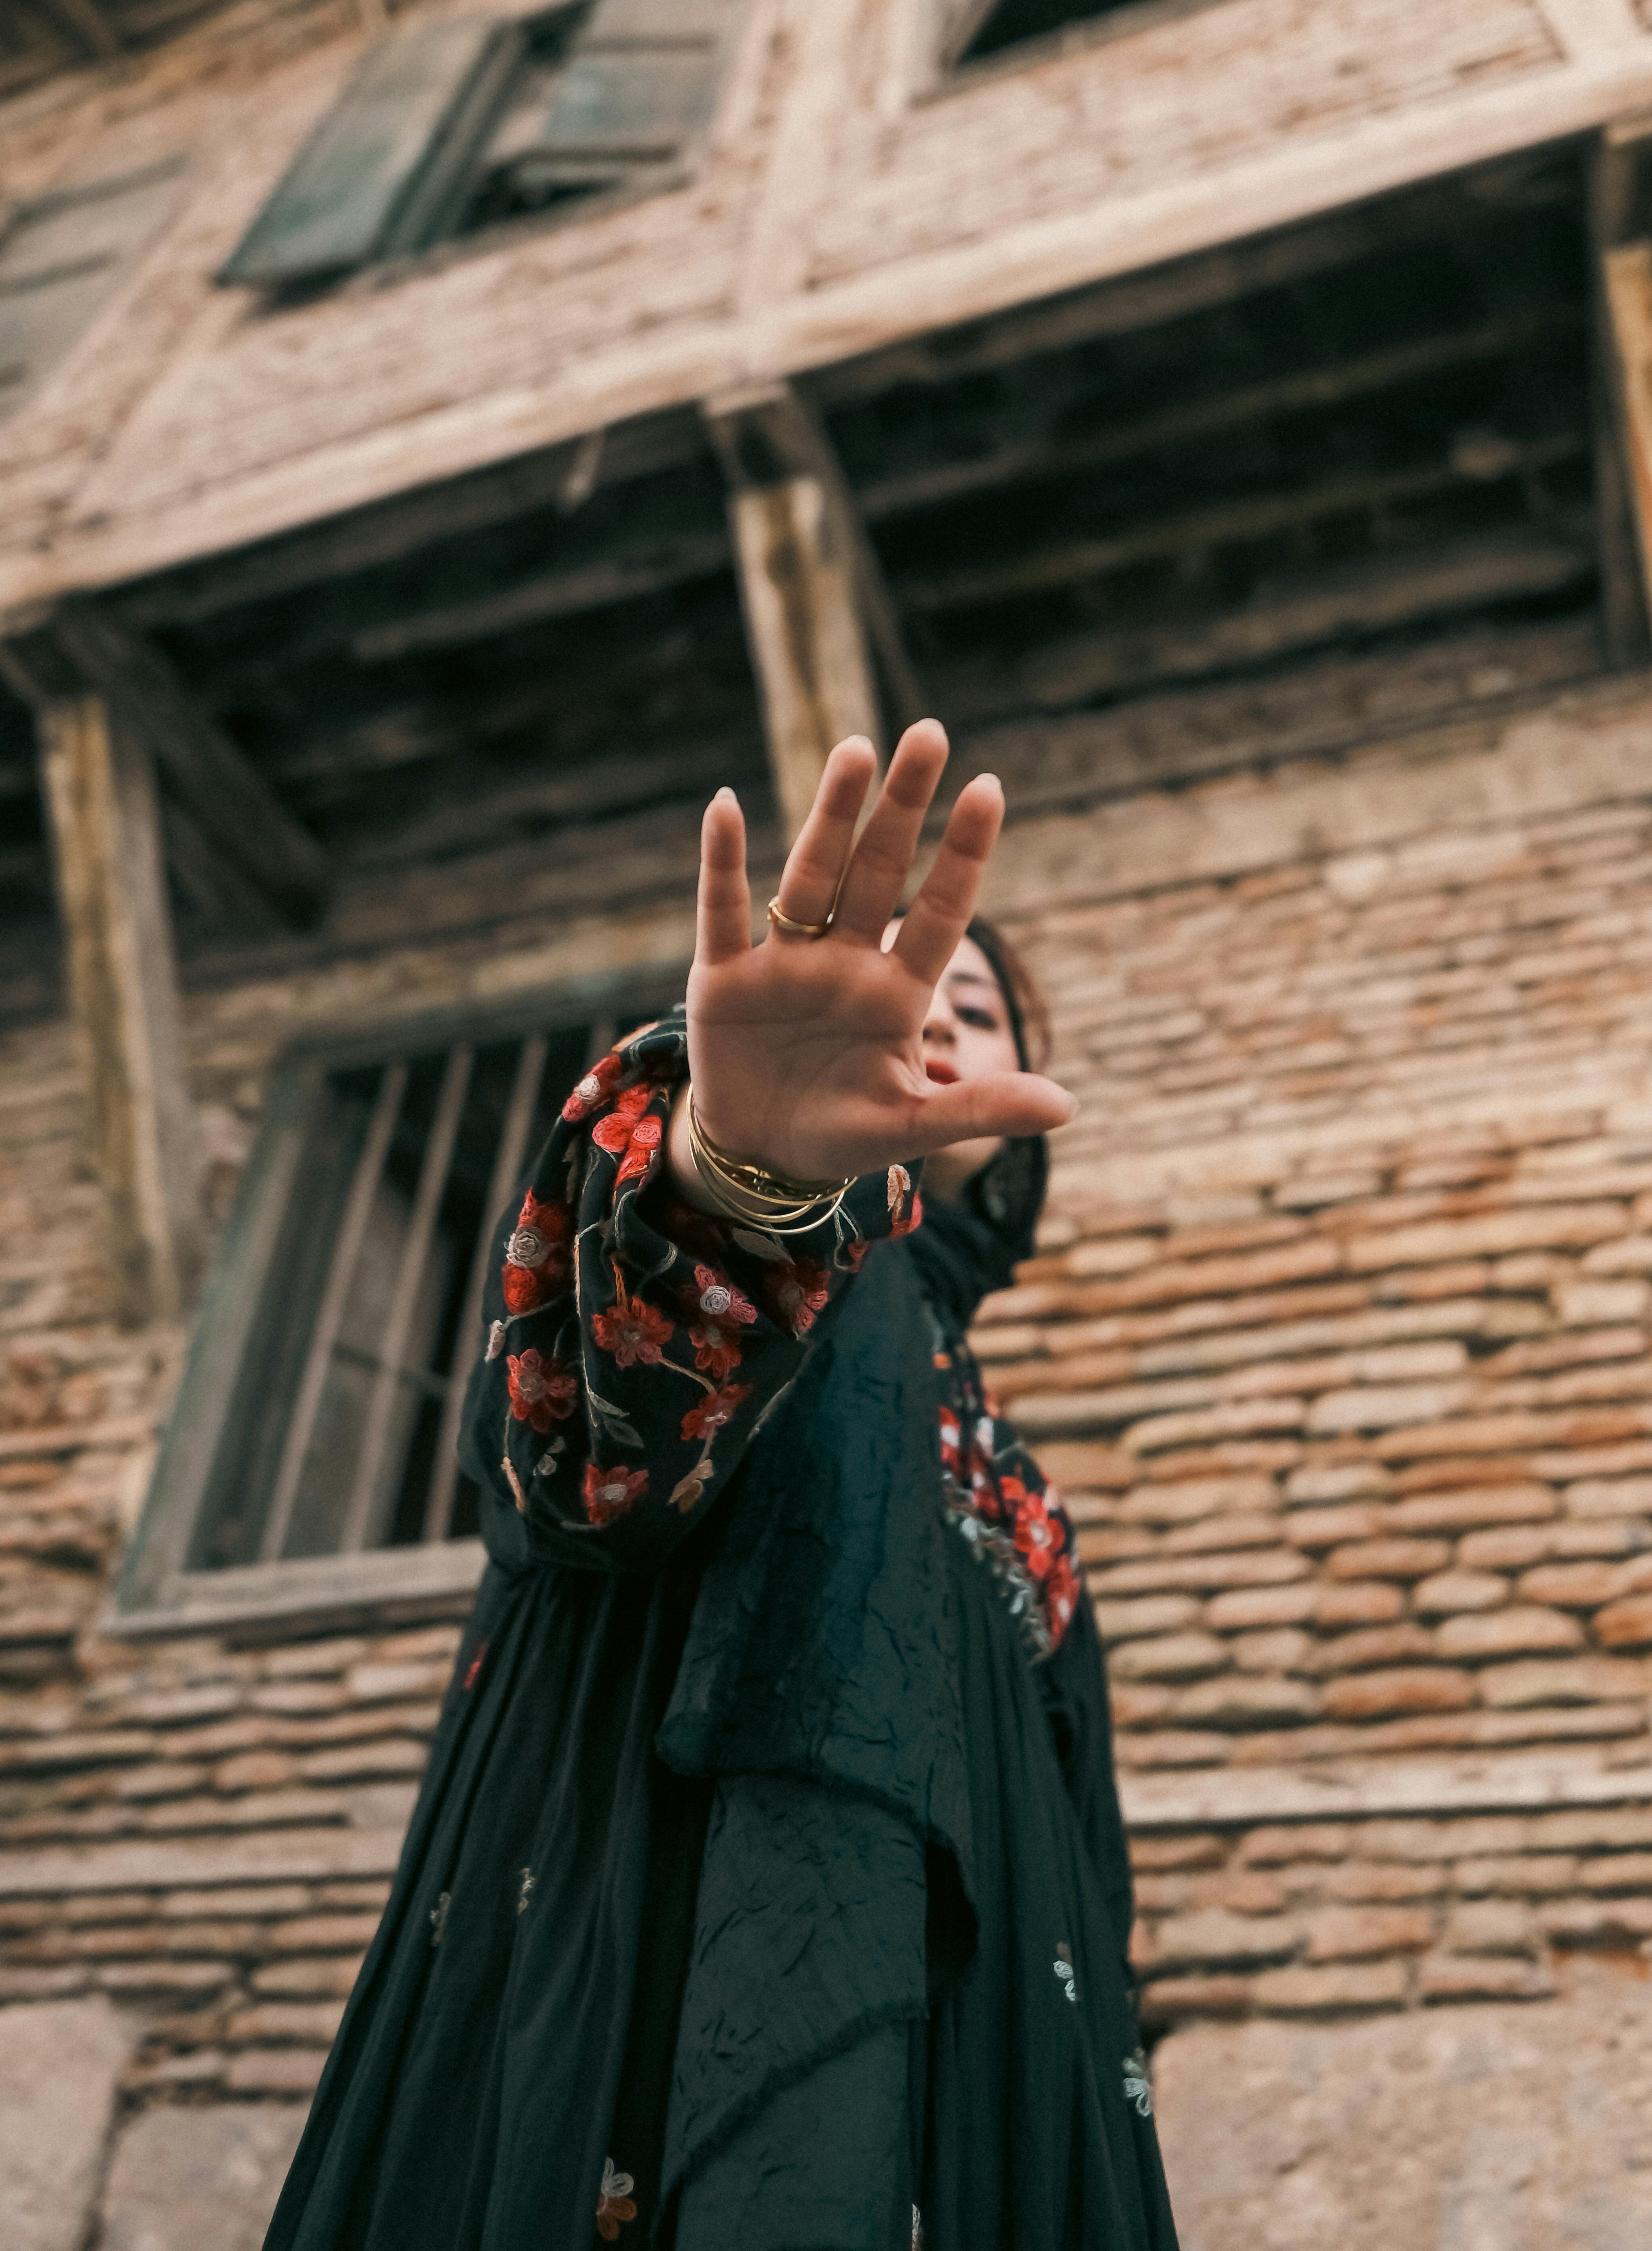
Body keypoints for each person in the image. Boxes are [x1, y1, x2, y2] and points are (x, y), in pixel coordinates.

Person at [264, 720, 1179, 2251]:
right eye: (907, 987)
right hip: (663, 1962)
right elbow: (585, 1441)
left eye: (974, 1002)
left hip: (989, 2031)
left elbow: (1080, 1818)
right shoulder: (794, 1262)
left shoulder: (1005, 1457)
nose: (936, 1018)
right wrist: (743, 1175)